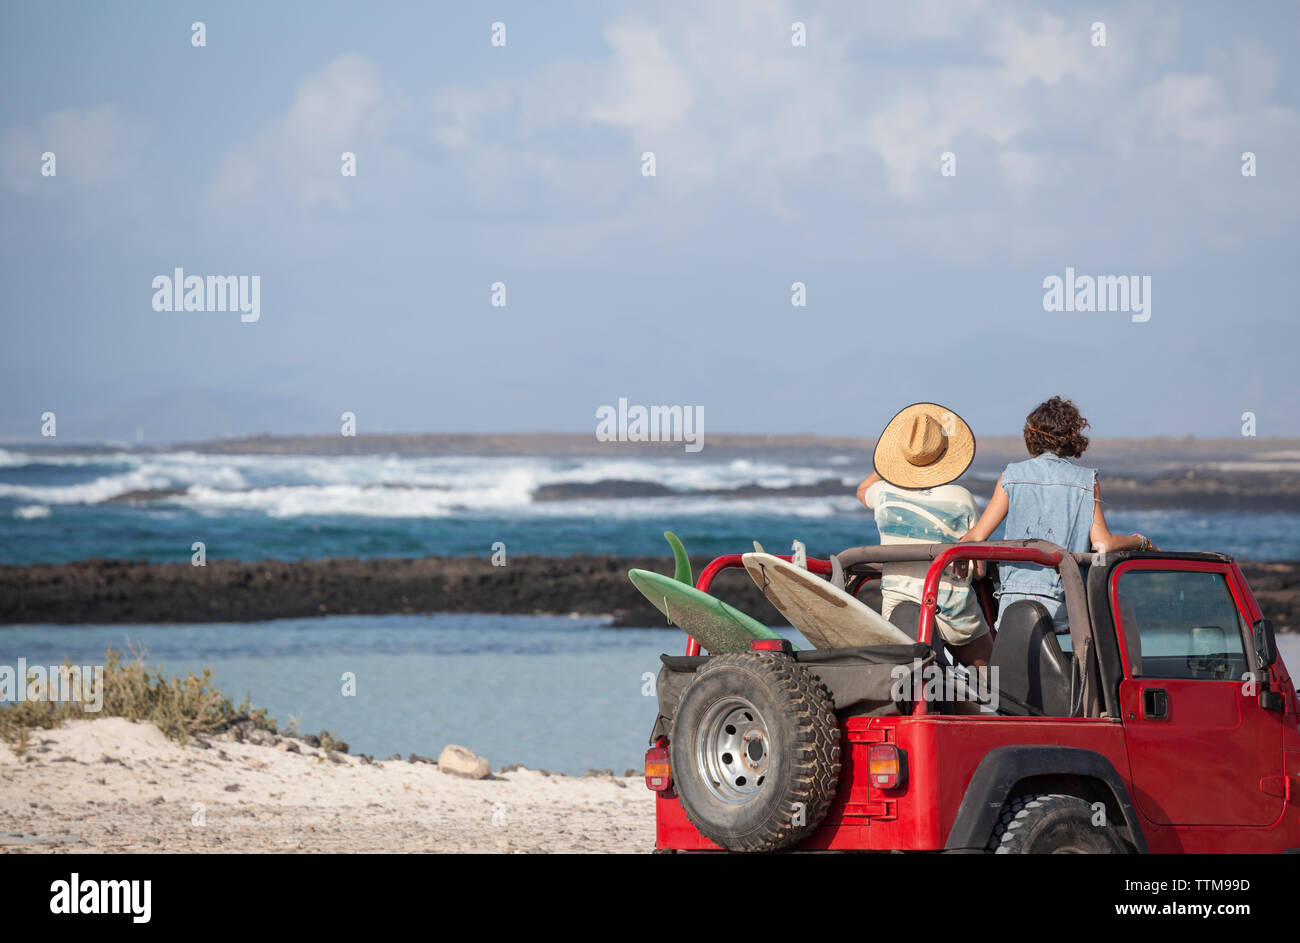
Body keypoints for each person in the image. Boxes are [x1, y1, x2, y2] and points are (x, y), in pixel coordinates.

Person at [961, 396, 1157, 632]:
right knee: (1120, 608)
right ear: (1073, 438)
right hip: (1065, 602)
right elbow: (1103, 543)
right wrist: (1140, 541)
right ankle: (1129, 670)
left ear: (1030, 436)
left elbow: (976, 537)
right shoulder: (1086, 481)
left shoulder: (1011, 475)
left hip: (1013, 604)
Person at [857, 403, 992, 669]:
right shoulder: (961, 498)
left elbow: (863, 489)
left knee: (920, 676)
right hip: (952, 610)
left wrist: (890, 465)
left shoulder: (884, 495)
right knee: (999, 679)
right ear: (945, 455)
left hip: (899, 611)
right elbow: (978, 571)